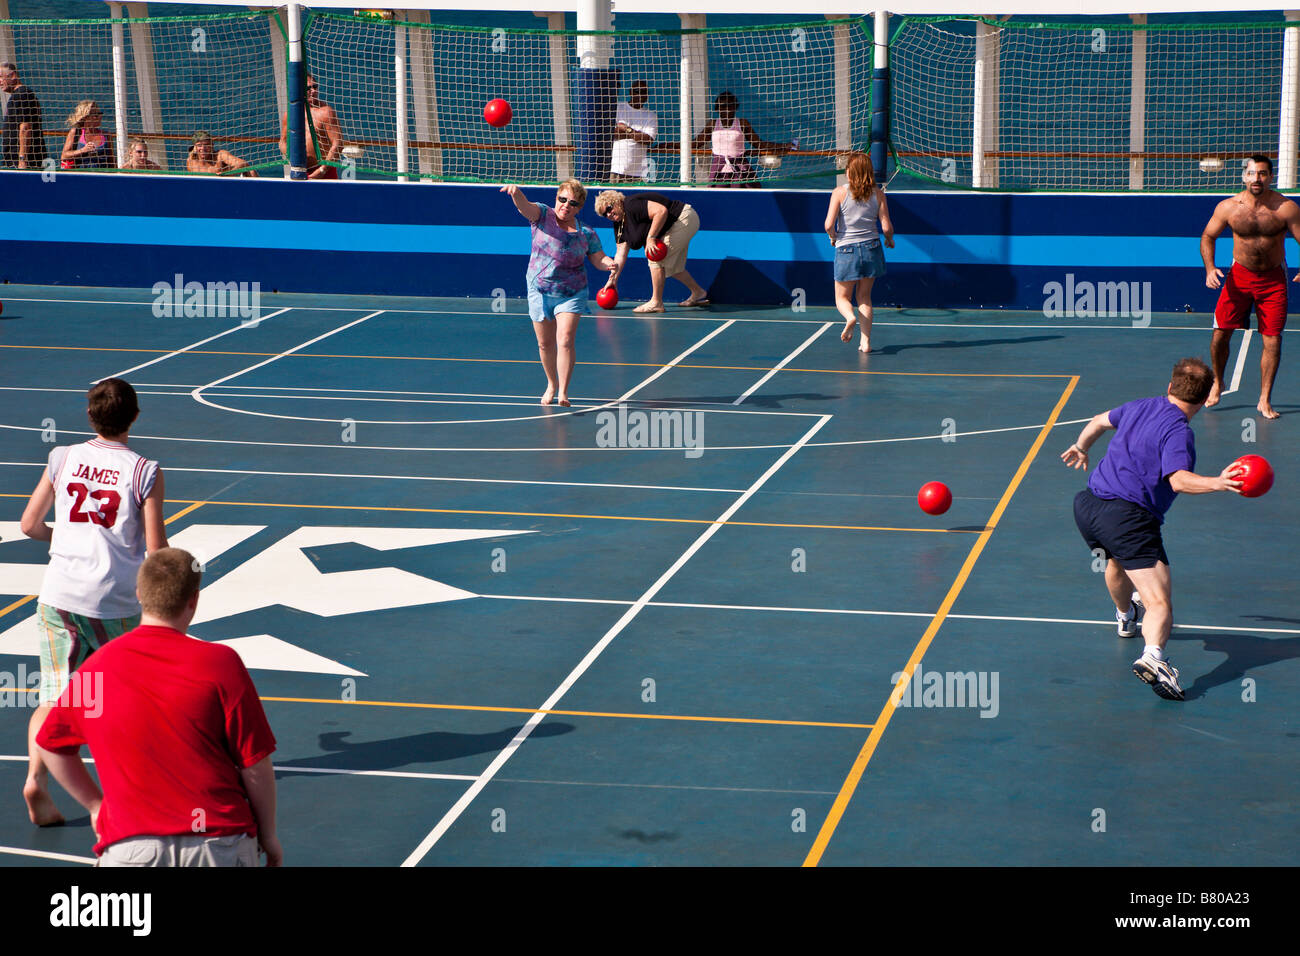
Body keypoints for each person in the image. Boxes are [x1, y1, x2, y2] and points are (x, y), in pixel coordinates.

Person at [36, 547, 281, 866]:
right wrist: (269, 836)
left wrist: (96, 807)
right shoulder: (221, 663)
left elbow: (50, 744)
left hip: (132, 846)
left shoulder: (97, 668)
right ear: (193, 600)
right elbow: (255, 766)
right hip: (216, 843)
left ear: (138, 594)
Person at [19, 377, 167, 825]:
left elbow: (29, 524)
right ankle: (129, 785)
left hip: (59, 594)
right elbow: (156, 550)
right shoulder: (144, 471)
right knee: (118, 697)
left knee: (52, 696)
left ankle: (36, 780)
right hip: (113, 602)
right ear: (135, 418)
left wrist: (62, 540)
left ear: (89, 416)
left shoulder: (61, 458)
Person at [1062, 357, 1244, 701]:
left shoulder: (1141, 405)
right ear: (1205, 400)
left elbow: (1098, 421)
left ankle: (1125, 617)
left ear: (1170, 387)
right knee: (1159, 601)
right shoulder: (1179, 432)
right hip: (1128, 519)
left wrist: (1081, 447)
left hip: (1087, 506)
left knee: (1116, 561)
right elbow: (1179, 480)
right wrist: (1218, 483)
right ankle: (1154, 658)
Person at [501, 178, 617, 406]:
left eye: (572, 203)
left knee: (564, 340)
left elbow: (597, 257)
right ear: (556, 199)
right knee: (545, 344)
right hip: (540, 289)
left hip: (572, 291)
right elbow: (526, 208)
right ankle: (551, 384)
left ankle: (563, 391)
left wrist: (608, 263)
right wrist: (516, 194)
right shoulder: (543, 216)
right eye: (562, 199)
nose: (565, 205)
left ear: (579, 207)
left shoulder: (586, 233)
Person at [1201, 154, 1300, 420]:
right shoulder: (1228, 207)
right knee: (1220, 334)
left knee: (1272, 339)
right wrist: (1210, 268)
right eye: (1252, 173)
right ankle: (1218, 383)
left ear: (1270, 177)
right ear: (1244, 176)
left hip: (1273, 281)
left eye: (1263, 174)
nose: (1257, 179)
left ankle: (1264, 399)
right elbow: (1208, 236)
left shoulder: (1286, 208)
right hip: (1239, 277)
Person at [594, 189, 708, 313]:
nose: (609, 214)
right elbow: (620, 254)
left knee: (655, 257)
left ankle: (656, 302)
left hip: (682, 218)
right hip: (676, 225)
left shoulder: (631, 205)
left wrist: (651, 237)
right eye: (605, 214)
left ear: (616, 202)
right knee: (673, 268)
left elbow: (661, 211)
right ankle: (698, 292)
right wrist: (613, 280)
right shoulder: (619, 226)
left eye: (609, 209)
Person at [825, 152, 894, 353]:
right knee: (864, 297)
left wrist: (833, 236)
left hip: (846, 249)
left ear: (849, 172)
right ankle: (865, 342)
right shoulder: (878, 194)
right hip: (872, 248)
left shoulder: (839, 192)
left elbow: (829, 224)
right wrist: (889, 240)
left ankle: (850, 317)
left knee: (842, 298)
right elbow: (887, 227)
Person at [690, 90, 789, 188]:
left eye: (731, 105)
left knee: (743, 197)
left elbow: (759, 144)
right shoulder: (713, 124)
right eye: (724, 106)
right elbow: (696, 144)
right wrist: (674, 145)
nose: (727, 109)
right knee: (717, 198)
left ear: (735, 107)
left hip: (740, 169)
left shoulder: (742, 123)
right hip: (719, 170)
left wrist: (784, 146)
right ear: (718, 108)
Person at [279, 74, 343, 179]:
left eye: (315, 87)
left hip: (324, 172)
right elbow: (283, 141)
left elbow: (338, 144)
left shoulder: (326, 112)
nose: (313, 91)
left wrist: (322, 170)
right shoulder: (290, 114)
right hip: (299, 171)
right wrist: (292, 158)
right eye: (308, 88)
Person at [1, 63, 46, 170]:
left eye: (1, 77)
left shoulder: (22, 95)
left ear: (12, 76)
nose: (0, 81)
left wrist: (22, 159)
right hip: (14, 160)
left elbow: (25, 128)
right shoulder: (18, 95)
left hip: (25, 162)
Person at [611, 80, 656, 184]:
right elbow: (612, 133)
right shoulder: (618, 108)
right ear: (630, 92)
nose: (640, 94)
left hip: (638, 172)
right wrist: (637, 135)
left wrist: (626, 129)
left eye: (644, 92)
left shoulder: (651, 116)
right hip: (617, 168)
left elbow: (648, 140)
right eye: (637, 91)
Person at [60, 100, 111, 170]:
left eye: (100, 114)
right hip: (80, 175)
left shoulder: (106, 135)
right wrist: (83, 150)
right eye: (96, 115)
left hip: (102, 176)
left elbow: (111, 161)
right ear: (85, 117)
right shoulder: (75, 133)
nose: (100, 117)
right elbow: (64, 155)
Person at [187, 130, 256, 176]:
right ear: (195, 147)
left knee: (251, 170)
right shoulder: (191, 161)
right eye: (199, 145)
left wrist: (226, 174)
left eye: (206, 145)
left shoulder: (221, 155)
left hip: (224, 187)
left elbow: (243, 163)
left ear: (212, 145)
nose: (203, 148)